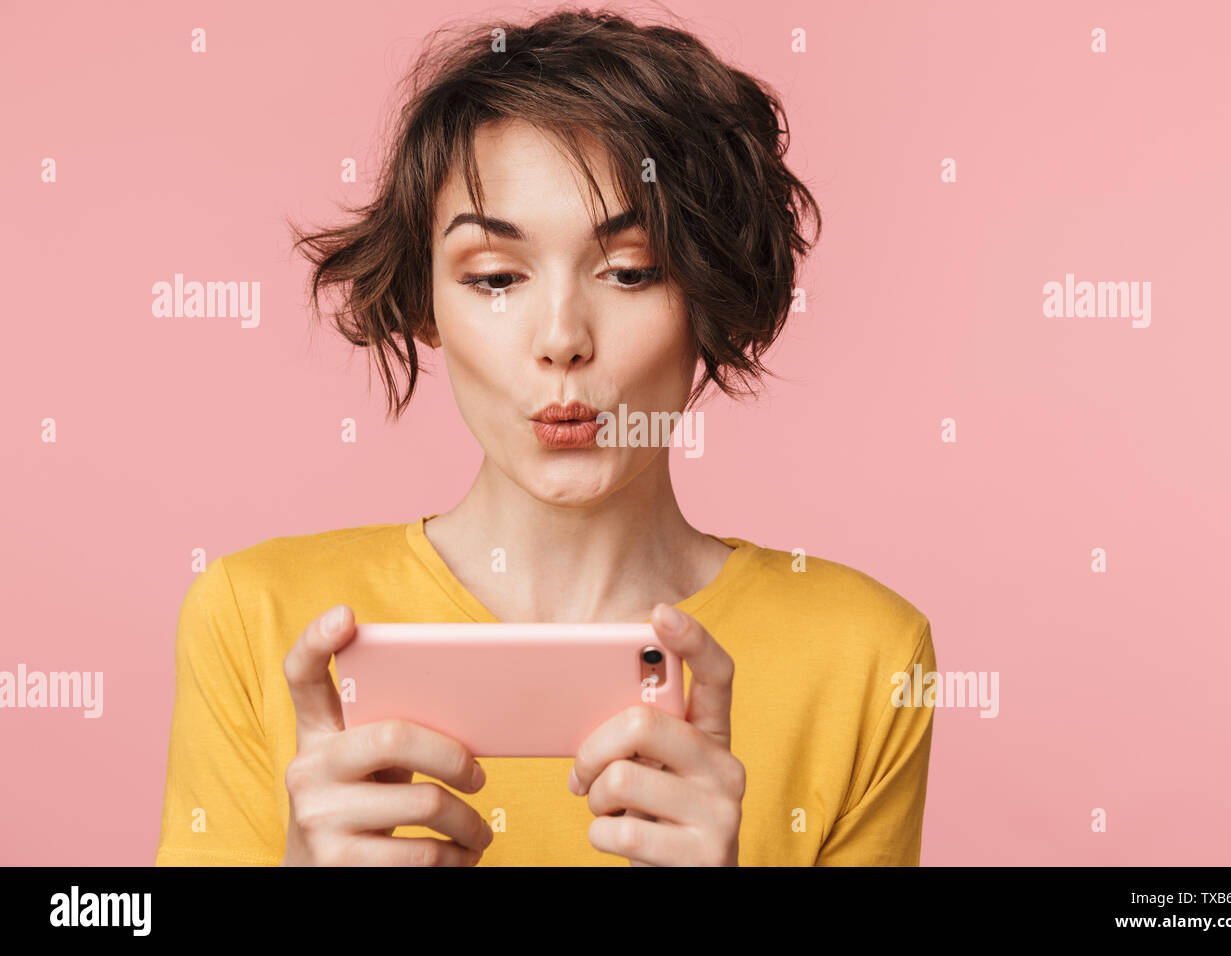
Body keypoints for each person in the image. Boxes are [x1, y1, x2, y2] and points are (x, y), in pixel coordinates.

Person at [154, 7, 936, 867]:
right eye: (494, 277)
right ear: (427, 307)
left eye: (632, 271)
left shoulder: (865, 653)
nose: (562, 337)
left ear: (710, 297)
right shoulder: (251, 616)